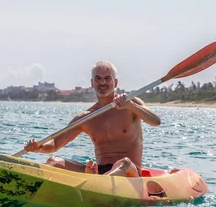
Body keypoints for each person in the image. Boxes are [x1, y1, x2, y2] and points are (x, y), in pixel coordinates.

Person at [24, 61, 161, 177]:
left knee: (124, 162)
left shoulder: (131, 103)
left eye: (107, 78)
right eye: (98, 78)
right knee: (53, 162)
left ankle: (99, 183)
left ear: (115, 82)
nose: (102, 82)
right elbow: (54, 145)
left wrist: (131, 105)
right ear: (92, 83)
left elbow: (156, 121)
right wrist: (37, 147)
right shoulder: (86, 117)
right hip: (101, 172)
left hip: (129, 170)